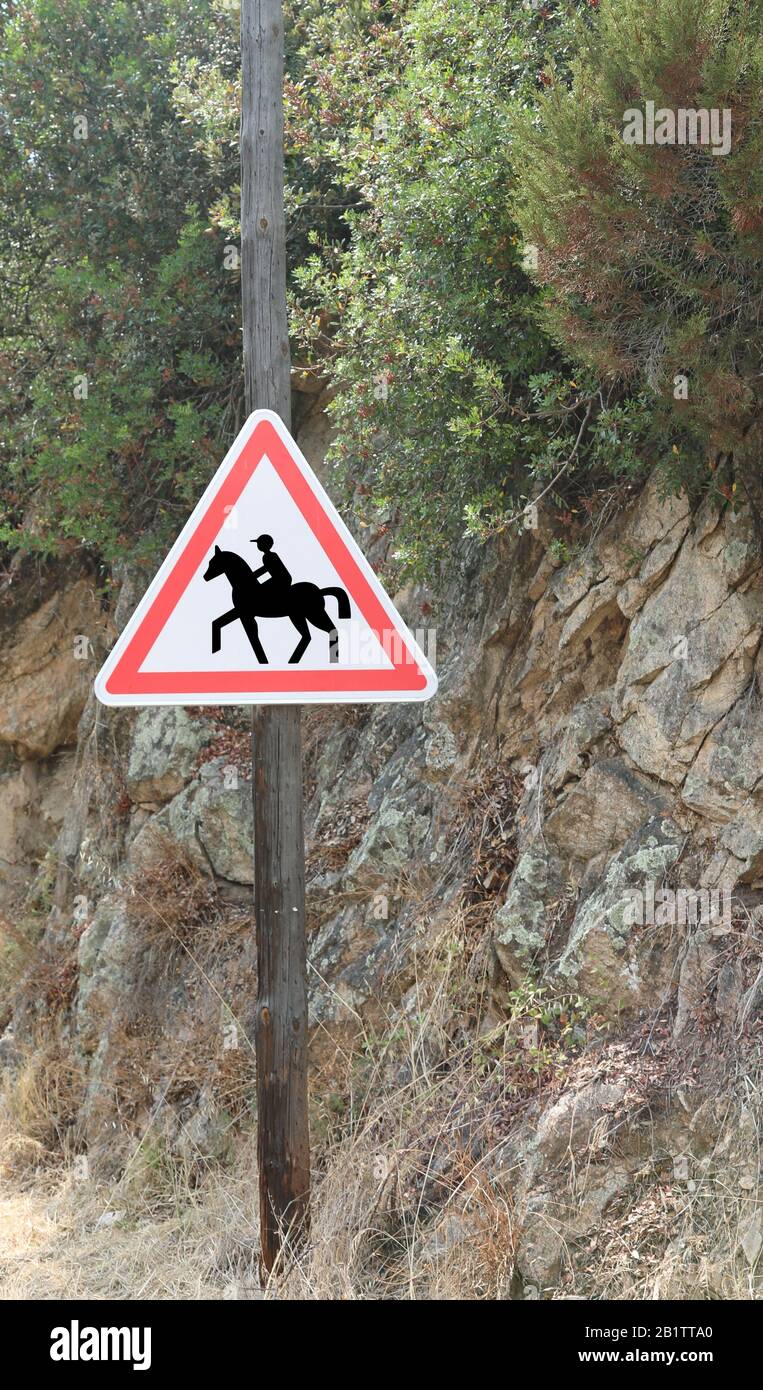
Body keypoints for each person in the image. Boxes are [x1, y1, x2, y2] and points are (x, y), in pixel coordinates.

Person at [250, 534, 292, 599]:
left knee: (258, 592)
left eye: (259, 543)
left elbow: (266, 569)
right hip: (282, 579)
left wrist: (251, 576)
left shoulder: (267, 556)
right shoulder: (271, 555)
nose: (258, 545)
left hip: (280, 580)